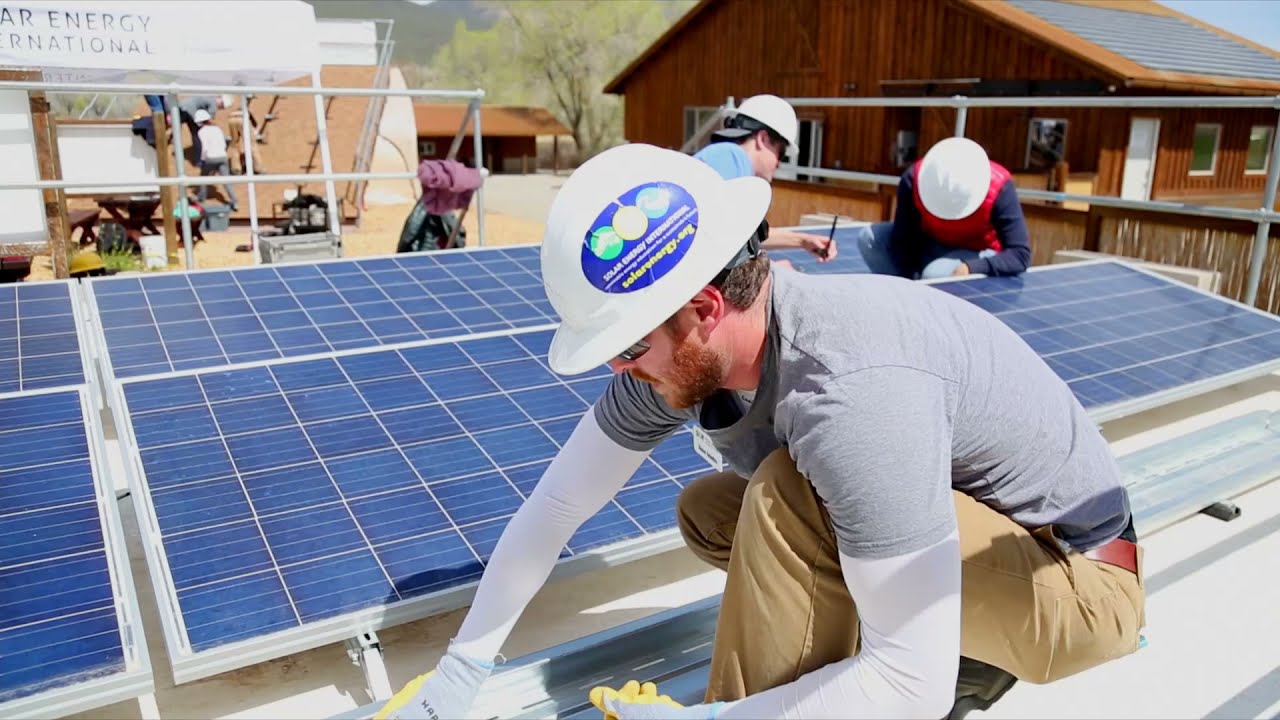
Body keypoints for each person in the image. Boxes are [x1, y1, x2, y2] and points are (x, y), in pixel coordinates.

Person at [375, 143, 1146, 720]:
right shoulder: (684, 355)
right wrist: (455, 681)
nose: (619, 370)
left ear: (706, 310)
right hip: (982, 547)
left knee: (784, 497)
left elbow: (914, 687)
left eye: (629, 348)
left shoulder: (847, 390)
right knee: (713, 511)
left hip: (1074, 588)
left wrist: (715, 716)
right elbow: (556, 509)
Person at [858, 137, 1032, 279]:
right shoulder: (914, 179)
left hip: (975, 252)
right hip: (931, 245)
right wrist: (907, 282)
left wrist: (971, 267)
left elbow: (1020, 254)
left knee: (935, 274)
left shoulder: (999, 187)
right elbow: (903, 238)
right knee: (869, 238)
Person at [693, 94, 837, 264]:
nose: (779, 164)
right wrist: (771, 271)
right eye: (781, 153)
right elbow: (717, 240)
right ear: (763, 139)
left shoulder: (727, 160)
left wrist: (802, 240)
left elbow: (743, 235)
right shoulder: (732, 157)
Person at [193, 109, 238, 212]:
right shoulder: (217, 129)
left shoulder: (201, 132)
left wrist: (202, 160)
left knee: (203, 178)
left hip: (210, 158)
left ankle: (201, 198)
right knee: (227, 181)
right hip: (222, 156)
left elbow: (204, 148)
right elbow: (223, 143)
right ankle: (234, 202)